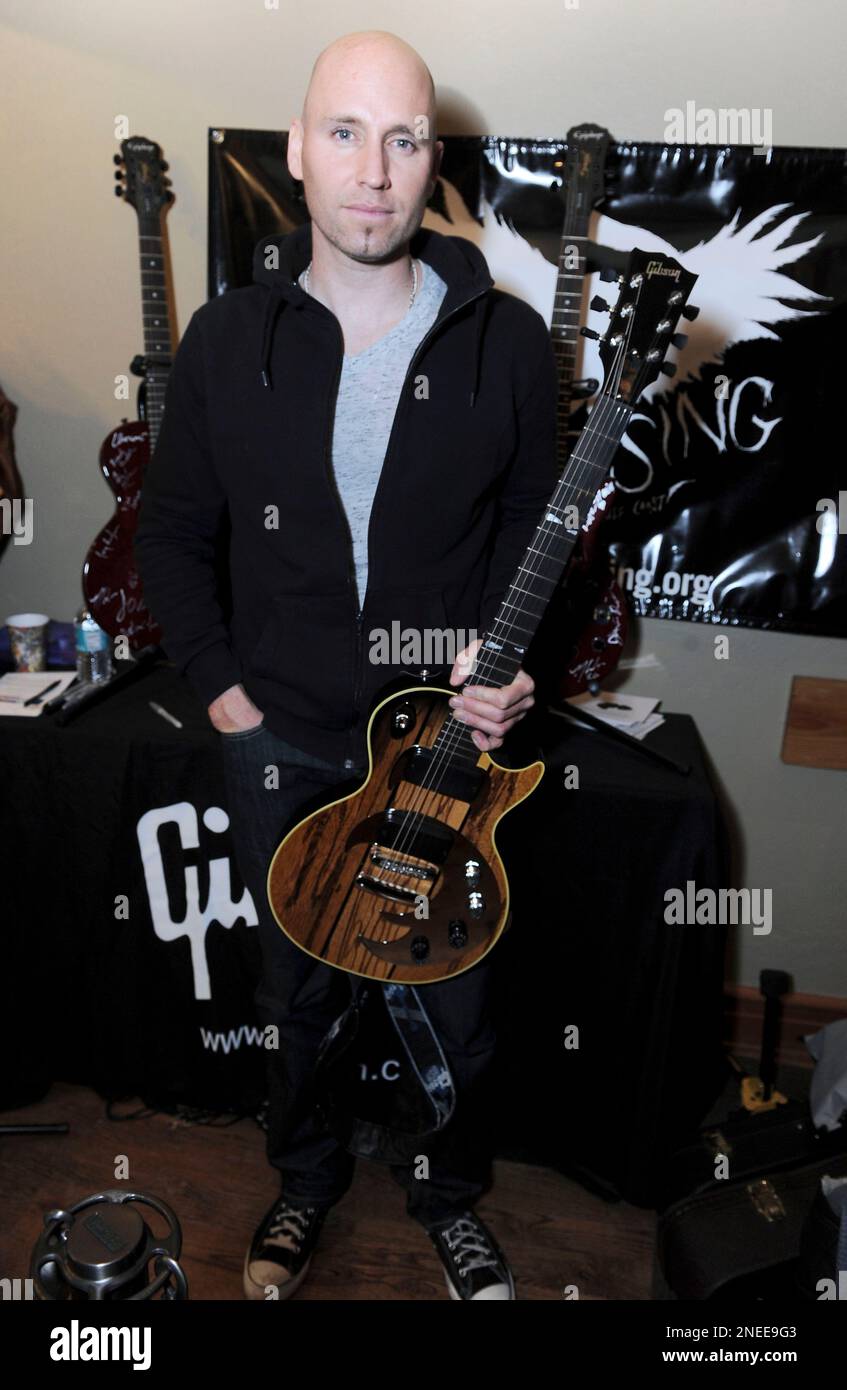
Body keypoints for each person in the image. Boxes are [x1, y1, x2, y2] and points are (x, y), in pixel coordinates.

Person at [134, 29, 558, 1301]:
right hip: (283, 739)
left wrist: (505, 668)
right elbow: (169, 532)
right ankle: (303, 1179)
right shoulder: (225, 339)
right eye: (344, 133)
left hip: (444, 752)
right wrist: (225, 694)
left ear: (434, 159)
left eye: (405, 137)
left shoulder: (507, 339)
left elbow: (533, 529)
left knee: (456, 1006)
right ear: (296, 157)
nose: (374, 171)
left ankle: (447, 1189)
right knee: (298, 995)